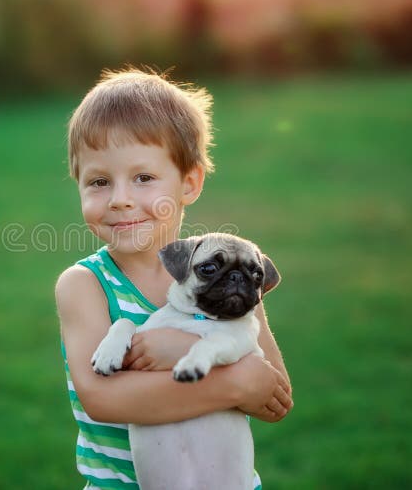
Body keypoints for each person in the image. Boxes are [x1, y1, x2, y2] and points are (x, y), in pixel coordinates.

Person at [55, 68, 293, 490]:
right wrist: (232, 381)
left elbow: (274, 399)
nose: (121, 199)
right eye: (98, 182)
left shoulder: (226, 284)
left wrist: (183, 349)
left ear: (189, 182)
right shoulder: (85, 285)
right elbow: (101, 399)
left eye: (143, 178)